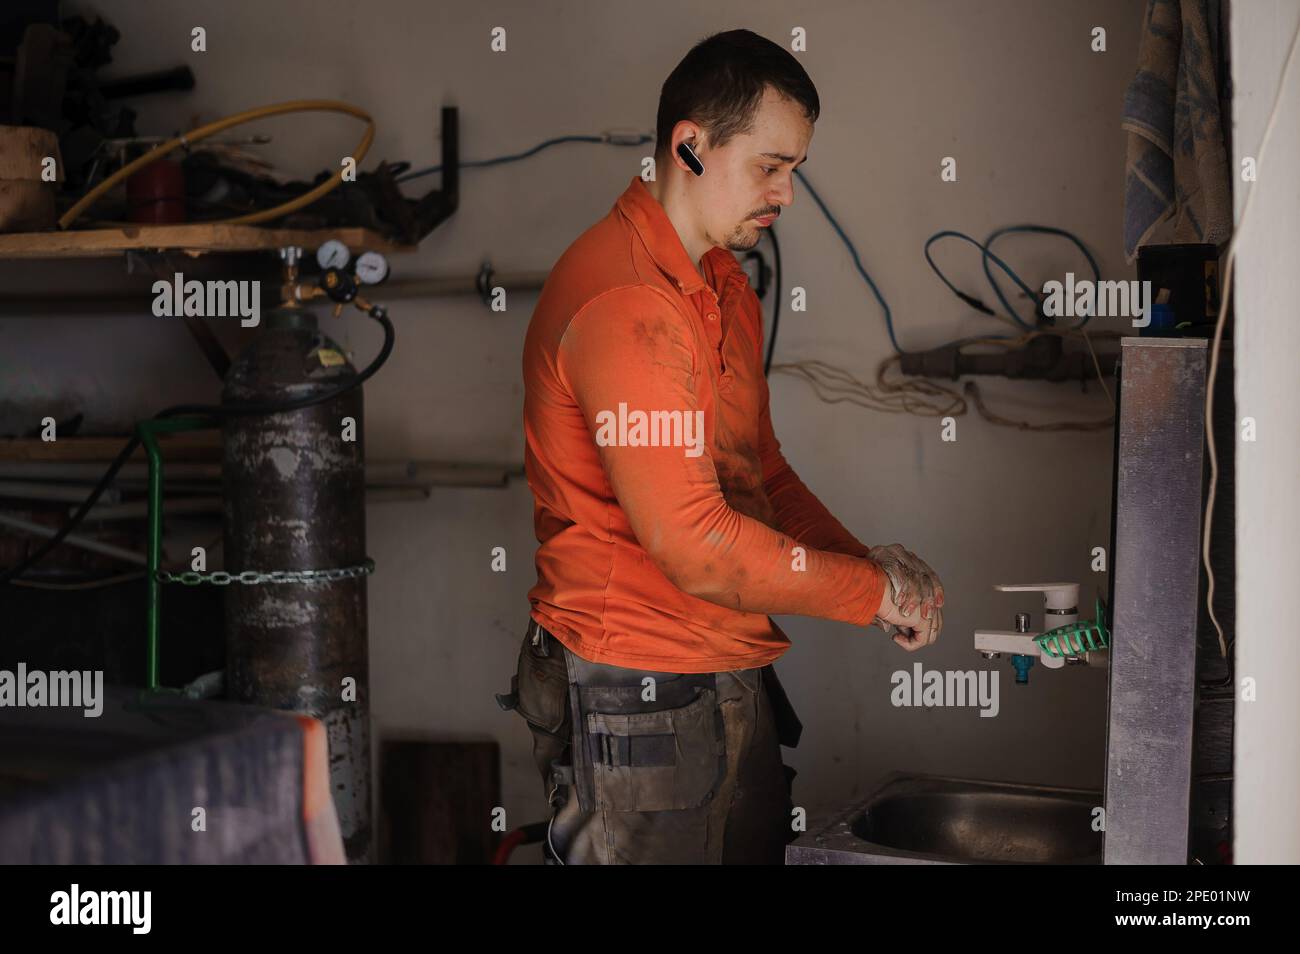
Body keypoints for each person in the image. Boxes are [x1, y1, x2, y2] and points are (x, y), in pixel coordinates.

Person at [499, 28, 944, 865]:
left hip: (723, 667)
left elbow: (758, 468)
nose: (785, 194)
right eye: (769, 166)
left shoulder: (721, 284)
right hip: (637, 686)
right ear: (690, 147)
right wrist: (866, 592)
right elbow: (698, 546)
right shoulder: (628, 305)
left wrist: (871, 573)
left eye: (795, 171)